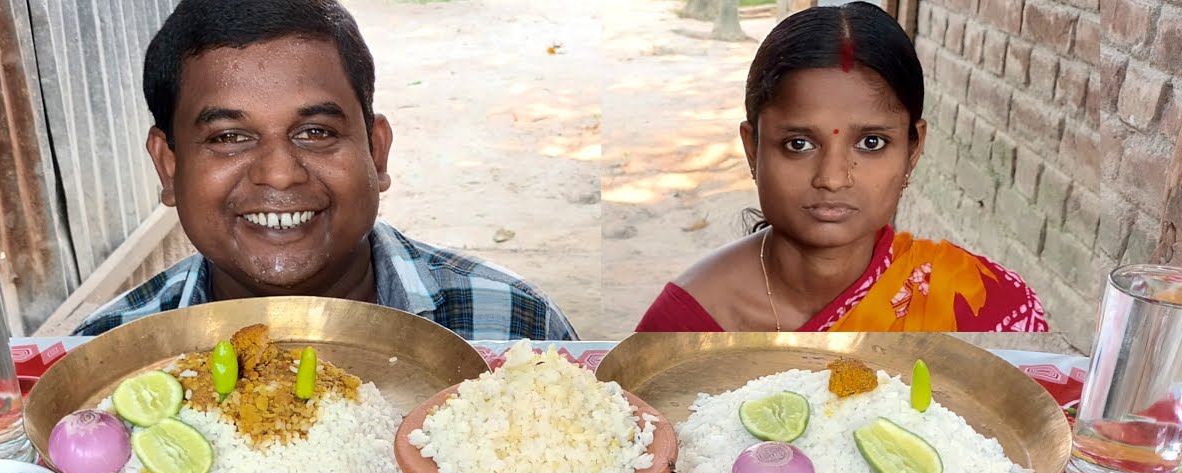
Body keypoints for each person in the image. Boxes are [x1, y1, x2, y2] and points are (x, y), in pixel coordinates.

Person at [75, 0, 577, 342]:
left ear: (377, 152)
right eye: (229, 137)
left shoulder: (515, 328)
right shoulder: (96, 364)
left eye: (315, 131)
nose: (279, 174)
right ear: (169, 166)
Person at [636, 3, 1047, 333]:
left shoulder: (983, 309)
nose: (832, 178)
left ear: (912, 149)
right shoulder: (688, 325)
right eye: (799, 144)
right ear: (753, 149)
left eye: (872, 143)